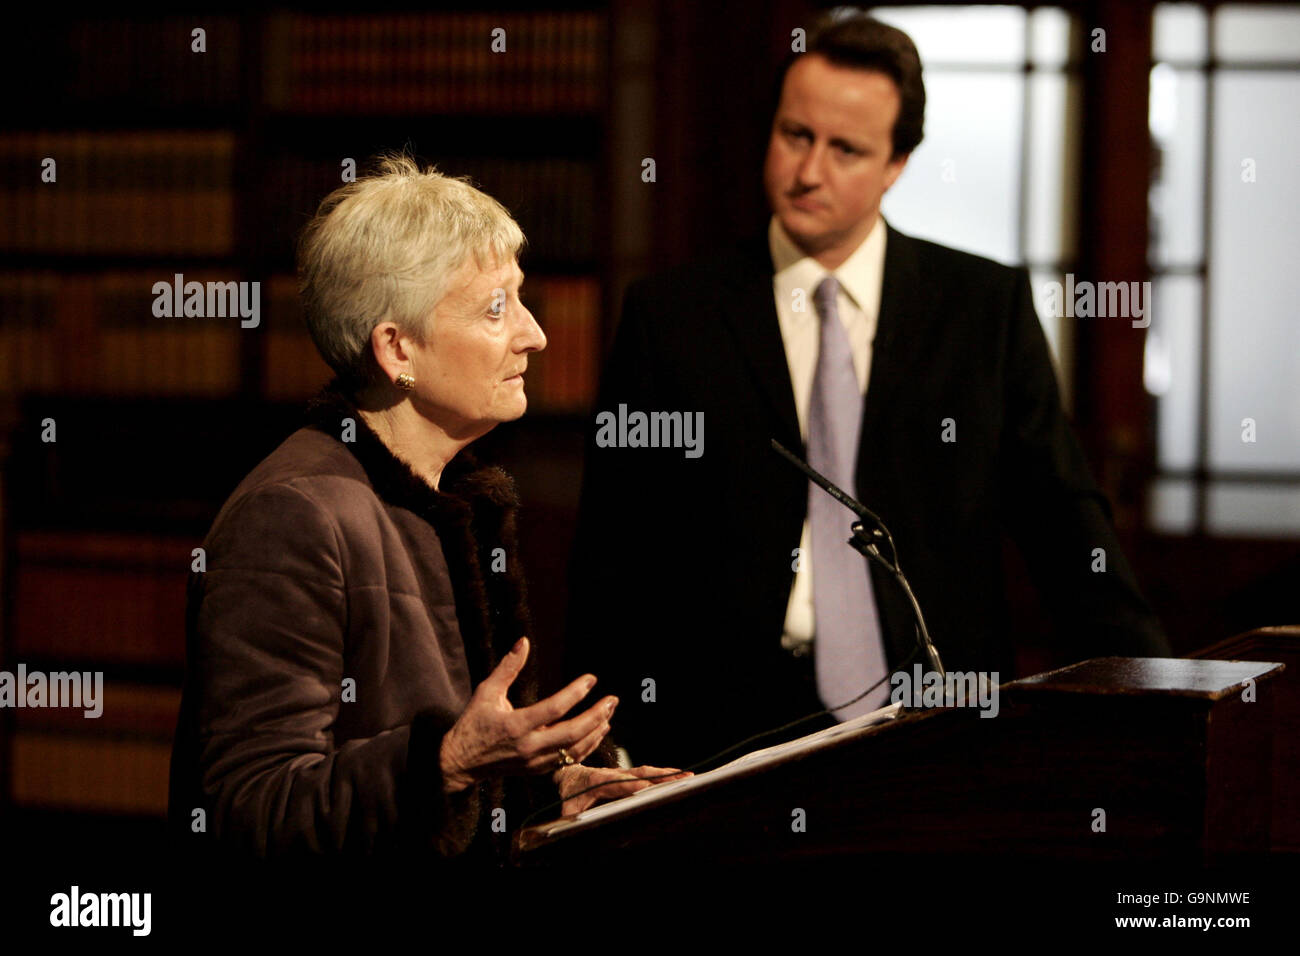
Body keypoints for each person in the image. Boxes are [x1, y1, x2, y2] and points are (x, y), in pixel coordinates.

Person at [566, 14, 1169, 771]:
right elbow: (614, 552)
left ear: (897, 165)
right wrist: (599, 743)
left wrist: (1159, 697)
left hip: (935, 724)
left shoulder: (984, 309)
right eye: (794, 135)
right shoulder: (671, 316)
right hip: (716, 731)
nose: (807, 170)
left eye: (845, 149)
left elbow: (1065, 526)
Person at [168, 153, 685, 862]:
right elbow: (251, 810)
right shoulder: (291, 516)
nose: (533, 333)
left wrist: (547, 797)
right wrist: (444, 761)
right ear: (396, 347)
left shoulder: (456, 499)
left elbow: (458, 795)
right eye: (497, 307)